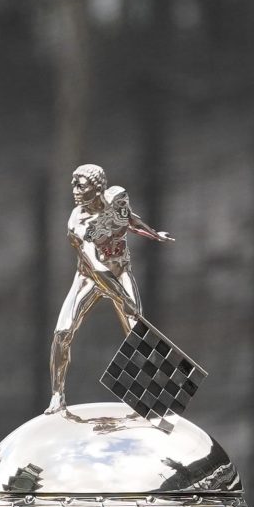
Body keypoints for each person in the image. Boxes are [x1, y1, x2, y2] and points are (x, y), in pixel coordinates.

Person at [46, 162, 175, 412]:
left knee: (138, 331)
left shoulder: (117, 200)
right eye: (73, 183)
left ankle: (154, 396)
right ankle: (57, 395)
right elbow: (95, 266)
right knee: (62, 332)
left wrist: (154, 234)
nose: (73, 189)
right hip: (89, 278)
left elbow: (131, 221)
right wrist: (122, 296)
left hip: (120, 271)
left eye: (79, 184)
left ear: (97, 188)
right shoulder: (77, 223)